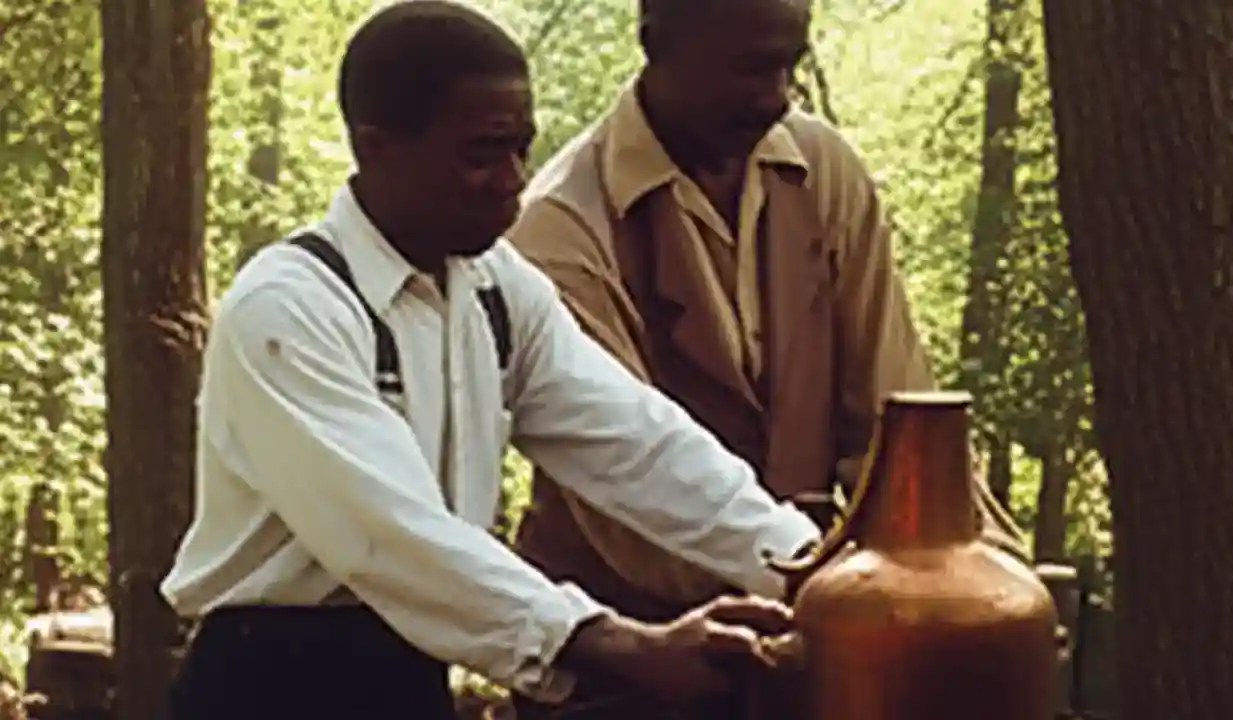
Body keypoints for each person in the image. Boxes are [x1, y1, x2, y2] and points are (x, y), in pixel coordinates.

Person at [159, 3, 823, 719]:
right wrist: (622, 645)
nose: (512, 178)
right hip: (268, 684)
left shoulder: (495, 291)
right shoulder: (288, 308)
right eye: (481, 153)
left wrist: (806, 567)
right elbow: (394, 538)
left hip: (408, 674)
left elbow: (636, 440)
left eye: (522, 149)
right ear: (374, 147)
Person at [508, 0, 1029, 716]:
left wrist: (986, 577)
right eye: (750, 68)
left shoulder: (825, 173)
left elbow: (894, 427)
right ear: (656, 42)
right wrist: (849, 596)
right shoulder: (561, 227)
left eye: (790, 62)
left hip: (815, 650)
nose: (776, 93)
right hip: (627, 670)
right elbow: (626, 498)